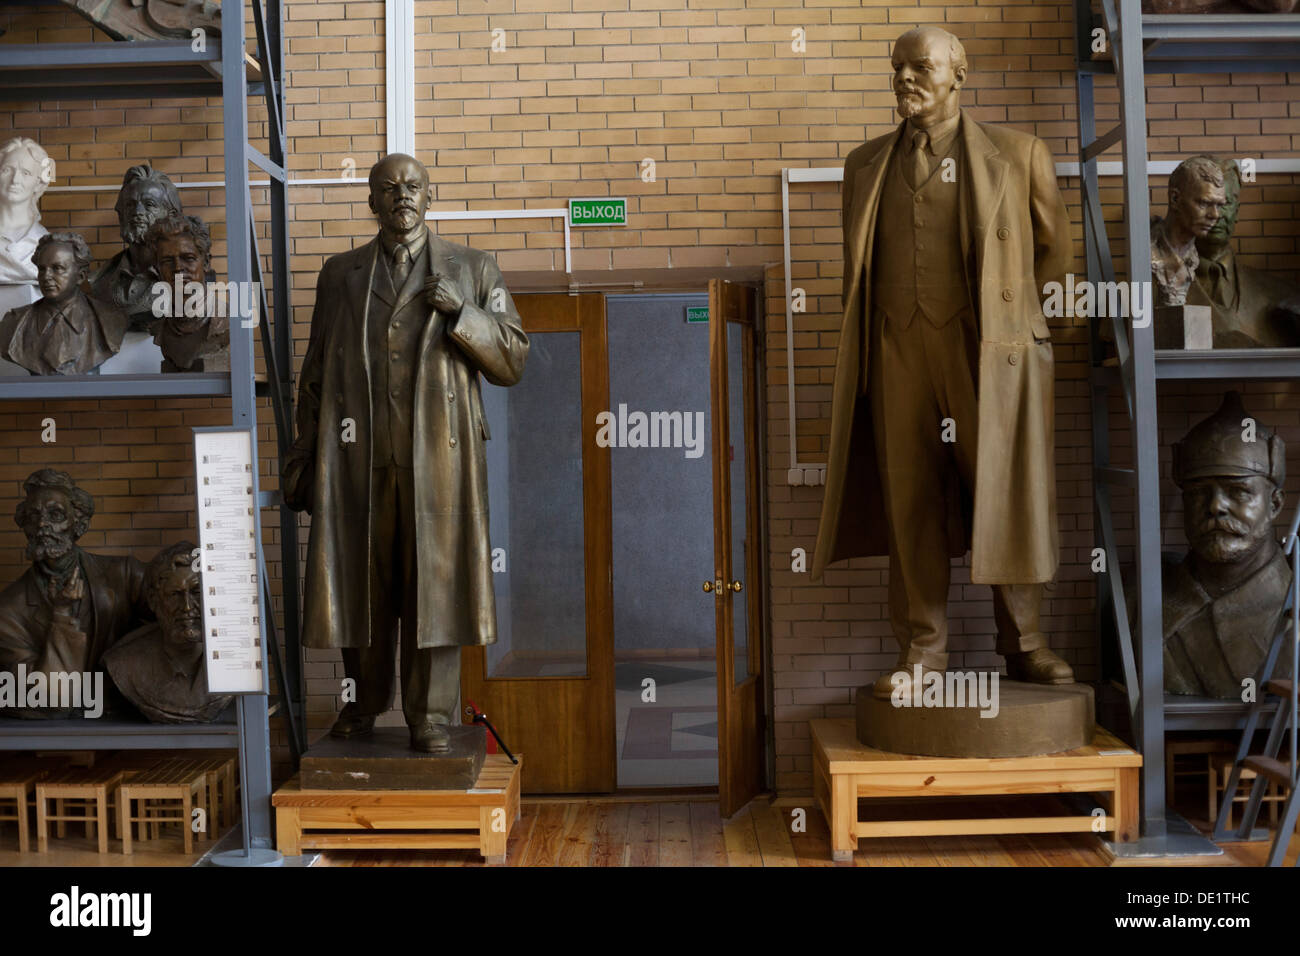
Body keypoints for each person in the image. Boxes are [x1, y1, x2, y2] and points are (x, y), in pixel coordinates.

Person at [812, 26, 1075, 700]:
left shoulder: (1019, 156)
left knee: (1006, 495)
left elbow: (1056, 258)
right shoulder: (864, 165)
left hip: (985, 350)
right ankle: (923, 652)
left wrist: (1031, 330)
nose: (905, 78)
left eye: (920, 66)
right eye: (897, 67)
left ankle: (1025, 644)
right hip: (896, 350)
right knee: (910, 502)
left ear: (959, 73)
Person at [283, 153, 529, 752]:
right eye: (388, 187)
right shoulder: (341, 274)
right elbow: (314, 372)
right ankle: (363, 706)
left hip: (438, 467)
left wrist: (463, 314)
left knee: (434, 588)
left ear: (429, 195)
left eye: (413, 185)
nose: (402, 195)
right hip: (357, 462)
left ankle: (432, 717)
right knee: (361, 585)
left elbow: (515, 357)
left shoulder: (472, 268)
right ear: (371, 202)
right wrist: (302, 455)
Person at [1161, 392, 1292, 698]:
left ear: (1274, 505)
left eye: (1238, 491)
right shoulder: (1136, 606)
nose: (1216, 506)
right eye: (1198, 493)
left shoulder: (1294, 608)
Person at [0, 469, 149, 718]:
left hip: (126, 718)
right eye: (33, 516)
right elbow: (46, 698)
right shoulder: (8, 611)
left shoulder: (125, 575)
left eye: (55, 514)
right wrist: (61, 617)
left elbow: (175, 620)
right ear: (25, 526)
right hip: (59, 731)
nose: (42, 524)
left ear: (78, 524)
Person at [103, 541, 233, 723]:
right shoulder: (123, 664)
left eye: (196, 592)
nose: (187, 607)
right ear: (153, 601)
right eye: (174, 594)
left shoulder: (238, 659)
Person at [1186, 155, 1300, 348]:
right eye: (1205, 203)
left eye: (1226, 203)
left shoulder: (1280, 295)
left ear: (1237, 211)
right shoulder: (1157, 287)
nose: (1216, 215)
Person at [0, 232, 128, 375]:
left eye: (57, 268)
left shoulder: (110, 319)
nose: (46, 276)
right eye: (42, 269)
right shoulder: (14, 323)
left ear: (81, 276)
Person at [90, 164, 183, 332]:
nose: (138, 212)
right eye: (130, 205)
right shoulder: (97, 283)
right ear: (121, 215)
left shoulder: (188, 280)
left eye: (149, 204)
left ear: (172, 216)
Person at [145, 213, 229, 372]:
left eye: (188, 258)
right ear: (157, 269)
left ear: (205, 262)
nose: (177, 268)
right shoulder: (158, 326)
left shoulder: (229, 319)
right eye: (167, 261)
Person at [1151, 156, 1227, 307]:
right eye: (1204, 203)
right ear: (1175, 199)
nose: (1215, 215)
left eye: (1219, 206)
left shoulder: (1194, 258)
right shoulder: (1147, 251)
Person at [0, 137, 53, 319]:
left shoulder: (46, 244)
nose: (15, 180)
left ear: (38, 183)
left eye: (26, 173)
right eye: (7, 170)